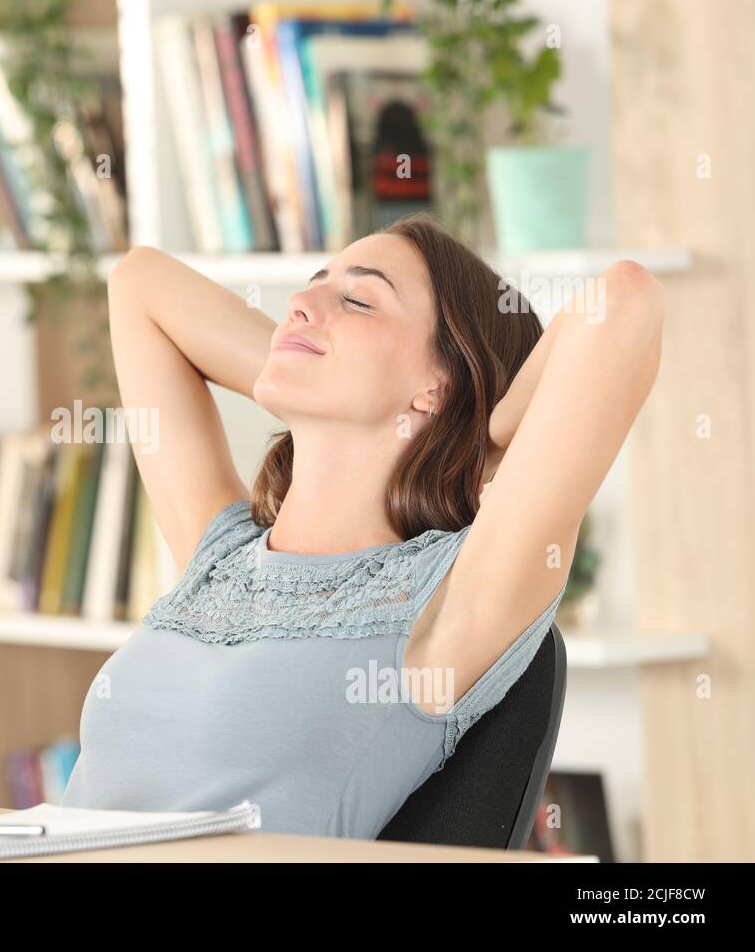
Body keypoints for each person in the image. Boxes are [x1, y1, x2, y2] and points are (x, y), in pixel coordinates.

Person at [60, 213, 665, 838]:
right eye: (312, 284)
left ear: (440, 384)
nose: (300, 303)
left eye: (358, 299)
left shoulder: (448, 600)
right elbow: (137, 283)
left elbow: (623, 302)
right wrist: (307, 364)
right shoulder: (218, 557)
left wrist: (488, 434)